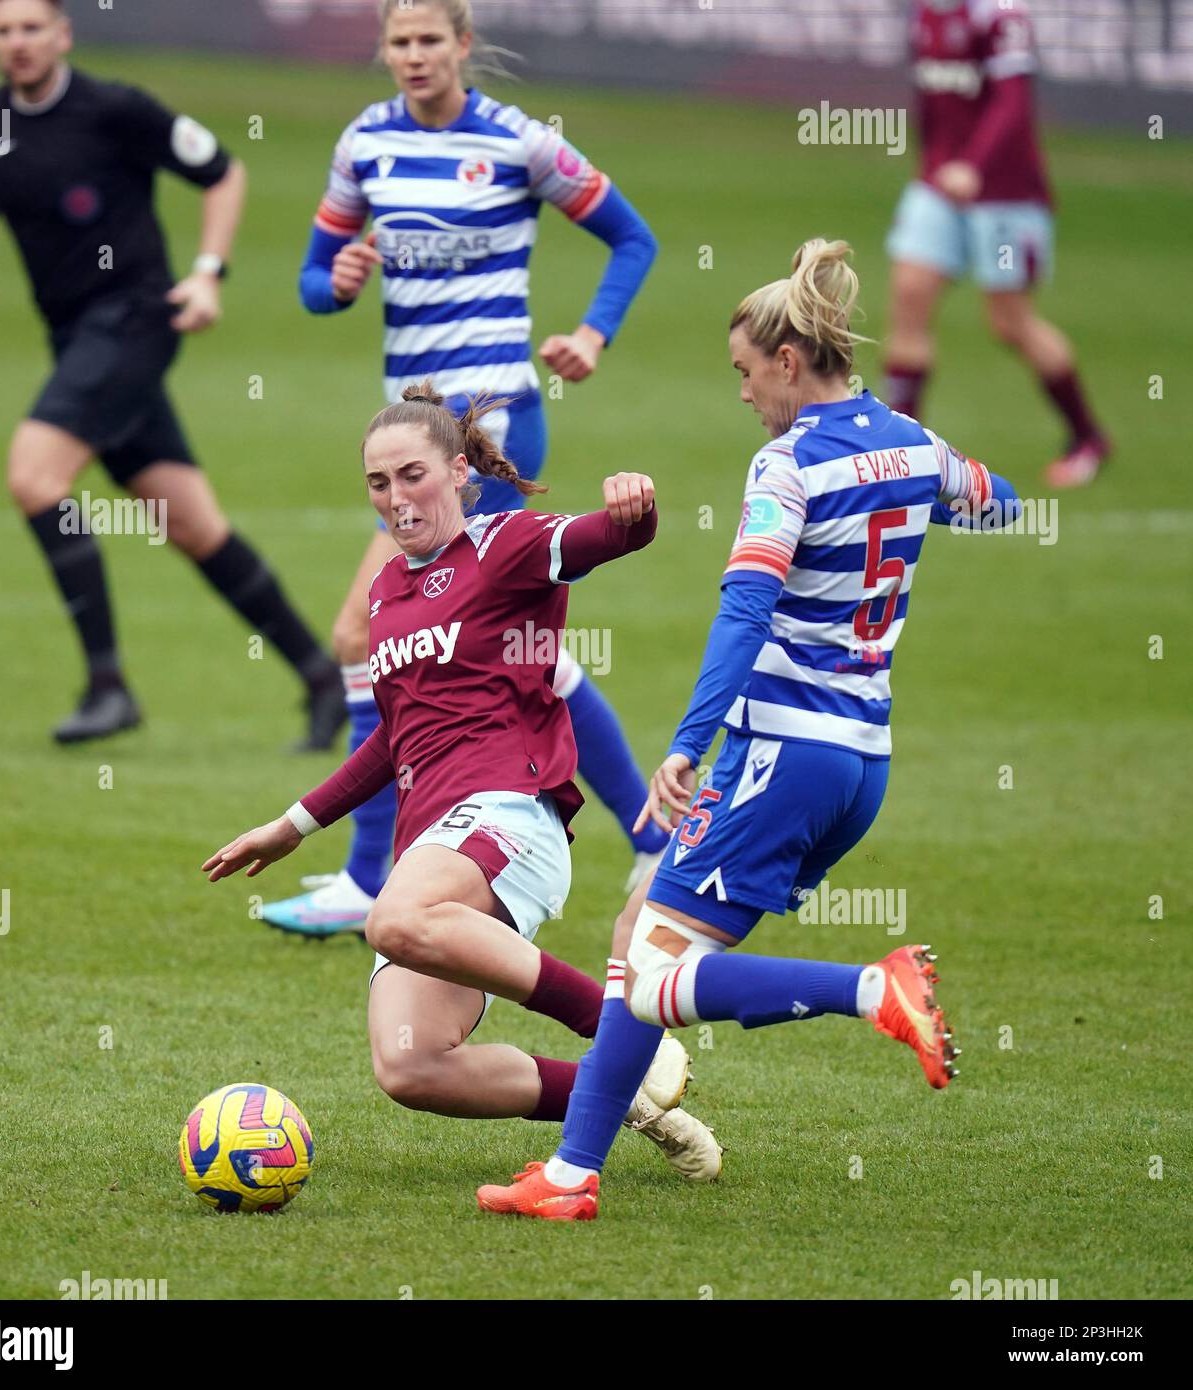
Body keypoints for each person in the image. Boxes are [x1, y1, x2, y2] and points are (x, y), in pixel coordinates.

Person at [478, 238, 1018, 1221]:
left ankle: (872, 988)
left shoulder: (786, 464)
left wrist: (686, 744)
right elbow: (997, 504)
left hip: (781, 754)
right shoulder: (907, 440)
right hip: (861, 763)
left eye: (741, 371)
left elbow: (742, 613)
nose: (739, 395)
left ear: (784, 360)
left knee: (650, 972)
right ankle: (566, 1174)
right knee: (638, 938)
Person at [203, 386, 721, 1178]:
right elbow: (392, 740)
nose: (395, 499)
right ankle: (615, 1099)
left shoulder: (505, 545)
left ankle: (620, 1030)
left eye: (410, 476)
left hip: (508, 814)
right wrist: (294, 824)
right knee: (411, 1067)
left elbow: (612, 536)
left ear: (456, 471)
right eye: (378, 484)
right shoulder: (385, 592)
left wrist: (633, 506)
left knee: (392, 916)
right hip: (436, 842)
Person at [262, 0, 669, 935]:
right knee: (522, 652)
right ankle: (650, 835)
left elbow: (633, 238)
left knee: (368, 635)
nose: (410, 57)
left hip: (489, 434)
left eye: (427, 41)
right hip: (412, 444)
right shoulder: (365, 144)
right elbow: (311, 280)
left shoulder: (522, 144)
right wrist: (338, 284)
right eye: (396, 43)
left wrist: (591, 336)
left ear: (462, 47)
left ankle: (370, 877)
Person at [0, 0, 346, 747]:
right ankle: (323, 680)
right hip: (75, 342)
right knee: (191, 523)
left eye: (33, 27)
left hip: (134, 320)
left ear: (63, 34)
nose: (18, 43)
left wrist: (208, 275)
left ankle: (107, 686)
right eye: (3, 30)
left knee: (35, 479)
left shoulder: (114, 108)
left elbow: (224, 173)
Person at [882, 0, 1108, 489]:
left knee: (1009, 323)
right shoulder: (925, 13)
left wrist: (975, 166)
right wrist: (932, 164)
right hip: (939, 184)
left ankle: (1088, 436)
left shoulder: (999, 15)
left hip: (1005, 193)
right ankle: (899, 450)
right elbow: (932, 101)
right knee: (909, 295)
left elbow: (1013, 103)